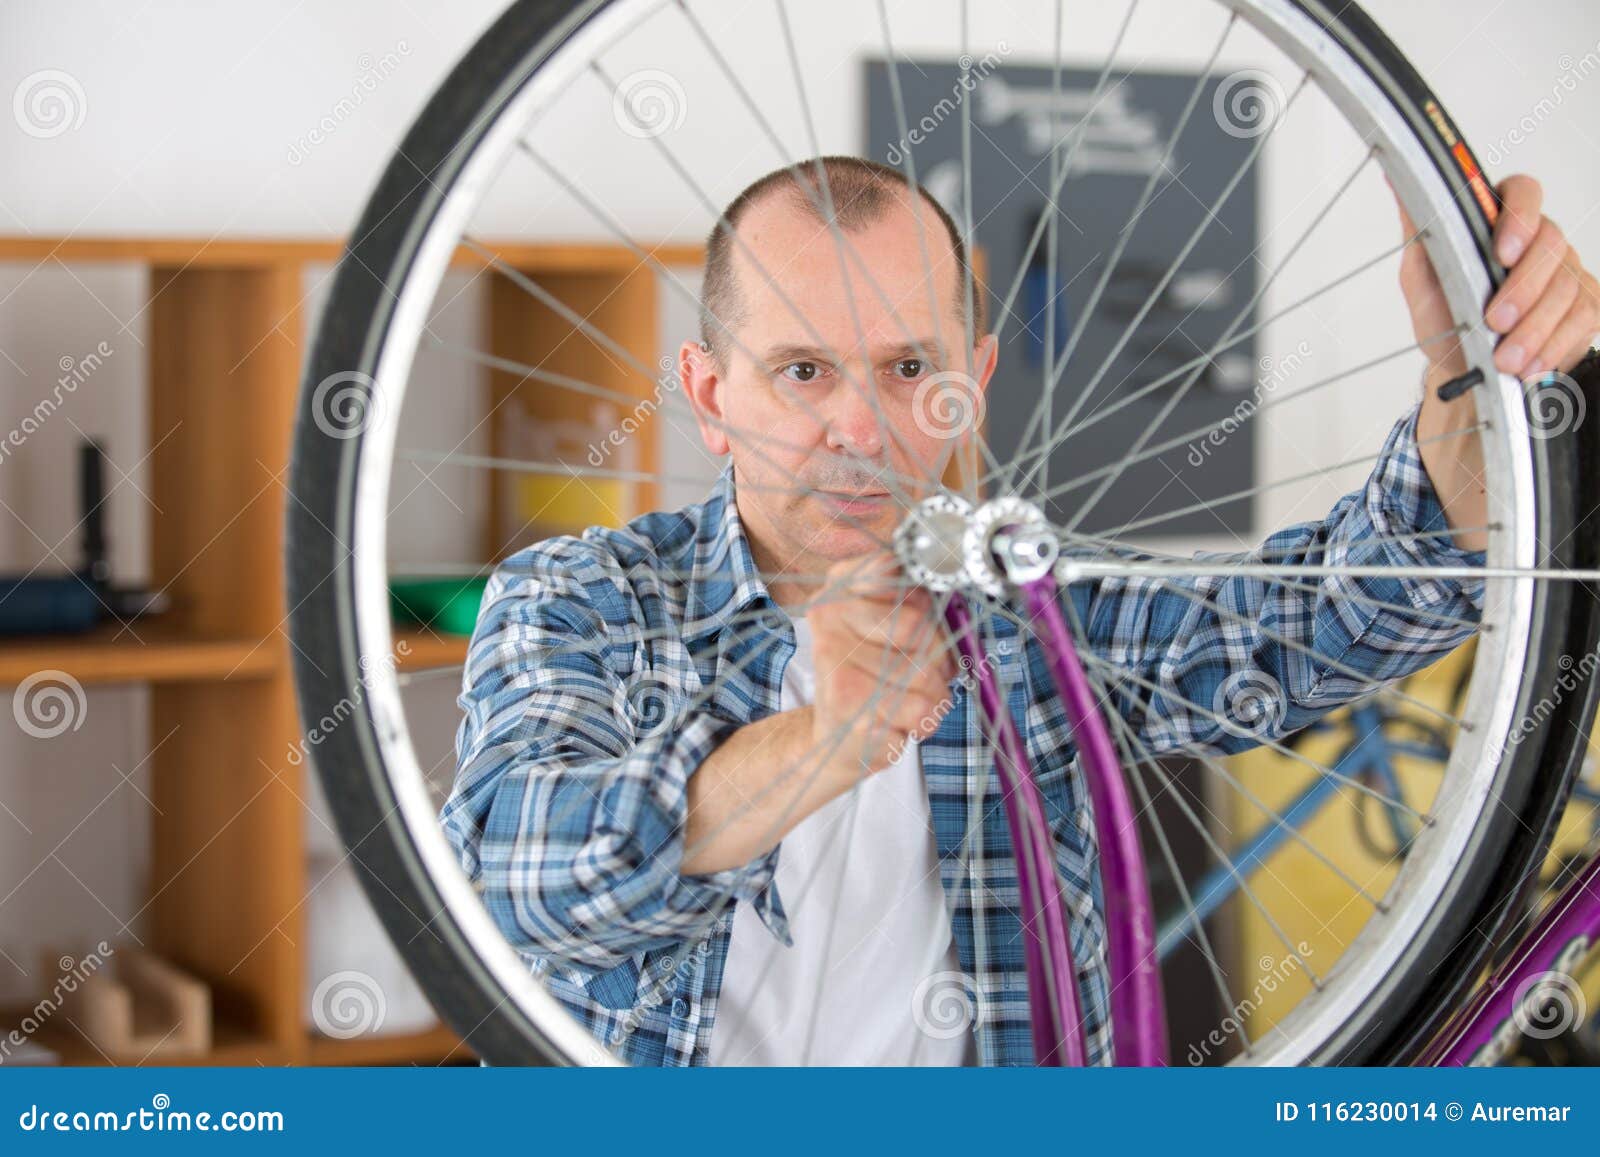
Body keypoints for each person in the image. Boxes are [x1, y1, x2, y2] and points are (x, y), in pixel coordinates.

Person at [442, 155, 1599, 1066]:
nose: (860, 429)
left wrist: (1472, 378)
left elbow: (1318, 627)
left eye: (908, 369)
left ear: (973, 381)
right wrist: (818, 742)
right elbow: (509, 889)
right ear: (708, 393)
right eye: (802, 370)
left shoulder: (1027, 606)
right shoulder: (579, 598)